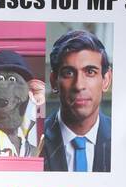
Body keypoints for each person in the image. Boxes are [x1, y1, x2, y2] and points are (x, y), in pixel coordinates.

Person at [42, 30, 112, 173]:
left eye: (90, 72)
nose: (79, 85)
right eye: (69, 73)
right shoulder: (32, 142)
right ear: (54, 81)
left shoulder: (122, 138)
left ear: (106, 80)